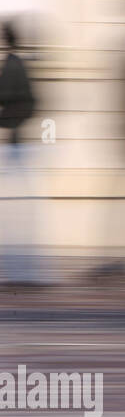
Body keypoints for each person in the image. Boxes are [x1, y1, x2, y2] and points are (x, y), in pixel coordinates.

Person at [0, 21, 40, 283]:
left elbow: (15, 100)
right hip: (17, 140)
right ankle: (21, 266)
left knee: (14, 209)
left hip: (15, 142)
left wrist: (8, 120)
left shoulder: (13, 65)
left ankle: (20, 268)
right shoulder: (17, 64)